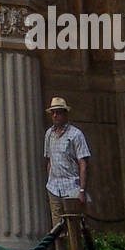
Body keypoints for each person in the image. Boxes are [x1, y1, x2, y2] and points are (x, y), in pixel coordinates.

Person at [43, 96, 90, 229]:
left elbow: (83, 163)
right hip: (53, 186)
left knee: (75, 226)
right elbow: (49, 160)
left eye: (58, 112)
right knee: (57, 228)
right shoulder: (49, 134)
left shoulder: (76, 134)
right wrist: (49, 180)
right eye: (53, 113)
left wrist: (82, 189)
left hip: (72, 186)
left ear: (65, 114)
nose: (55, 115)